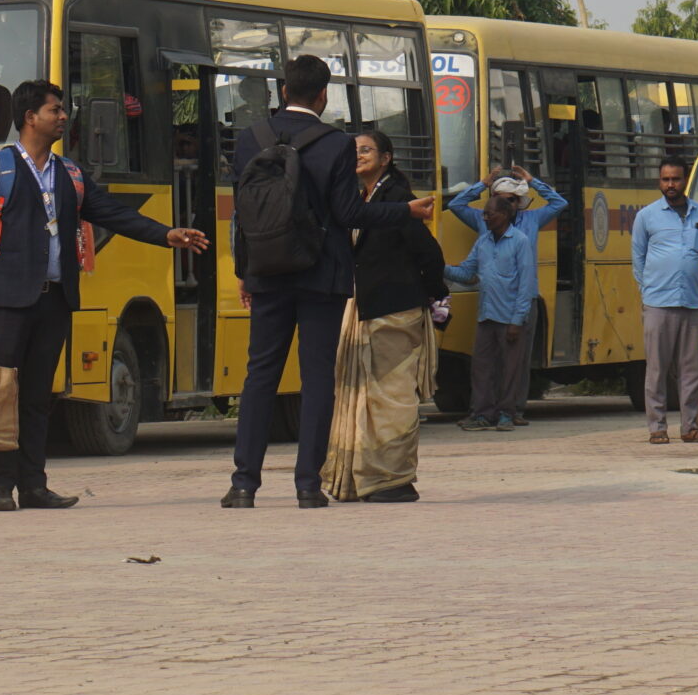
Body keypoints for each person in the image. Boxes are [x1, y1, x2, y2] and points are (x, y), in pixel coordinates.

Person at [0, 79, 207, 512]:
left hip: (54, 300)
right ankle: (0, 486)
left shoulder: (69, 173)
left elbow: (114, 214)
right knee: (5, 396)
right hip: (7, 302)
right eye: (55, 110)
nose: (63, 117)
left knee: (38, 397)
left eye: (62, 110)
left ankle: (34, 486)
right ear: (30, 117)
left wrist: (165, 234)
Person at [223, 56, 438, 510]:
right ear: (323, 95)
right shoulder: (335, 144)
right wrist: (406, 211)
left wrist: (245, 271)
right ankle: (306, 485)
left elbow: (243, 212)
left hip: (265, 273)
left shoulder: (248, 139)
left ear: (284, 91)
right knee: (317, 376)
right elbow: (349, 214)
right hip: (320, 275)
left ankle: (243, 484)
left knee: (259, 374)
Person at [323, 129, 448, 502]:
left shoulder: (398, 199)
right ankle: (362, 479)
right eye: (355, 150)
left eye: (367, 150)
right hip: (366, 308)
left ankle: (393, 481)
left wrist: (433, 293)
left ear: (386, 157)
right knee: (362, 396)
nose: (359, 155)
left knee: (391, 399)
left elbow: (430, 254)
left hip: (396, 309)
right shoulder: (356, 198)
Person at [440, 165, 568, 431]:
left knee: (514, 365)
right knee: (483, 366)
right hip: (488, 310)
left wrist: (533, 182)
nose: (486, 215)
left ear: (513, 207)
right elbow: (466, 269)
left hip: (517, 308)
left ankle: (511, 411)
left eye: (507, 200)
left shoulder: (525, 230)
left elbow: (560, 203)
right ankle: (483, 413)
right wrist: (482, 183)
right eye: (491, 203)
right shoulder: (484, 236)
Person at [631, 158, 698, 443]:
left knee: (691, 370)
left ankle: (689, 427)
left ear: (685, 180)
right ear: (659, 181)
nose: (670, 185)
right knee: (657, 369)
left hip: (691, 302)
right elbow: (638, 259)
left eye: (675, 179)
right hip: (658, 302)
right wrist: (649, 290)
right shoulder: (647, 216)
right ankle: (657, 428)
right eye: (665, 179)